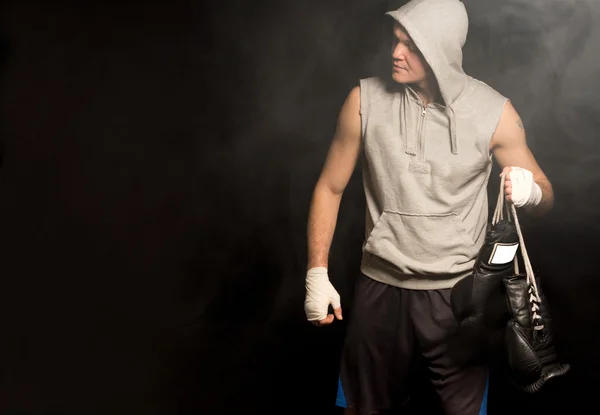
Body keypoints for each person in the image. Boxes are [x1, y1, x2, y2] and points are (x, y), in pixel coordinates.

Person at [303, 0, 554, 414]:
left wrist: (531, 193)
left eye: (411, 46)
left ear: (442, 52)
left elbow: (546, 194)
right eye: (396, 41)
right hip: (379, 290)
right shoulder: (363, 99)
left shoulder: (494, 112)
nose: (395, 53)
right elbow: (329, 187)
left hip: (458, 299)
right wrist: (316, 272)